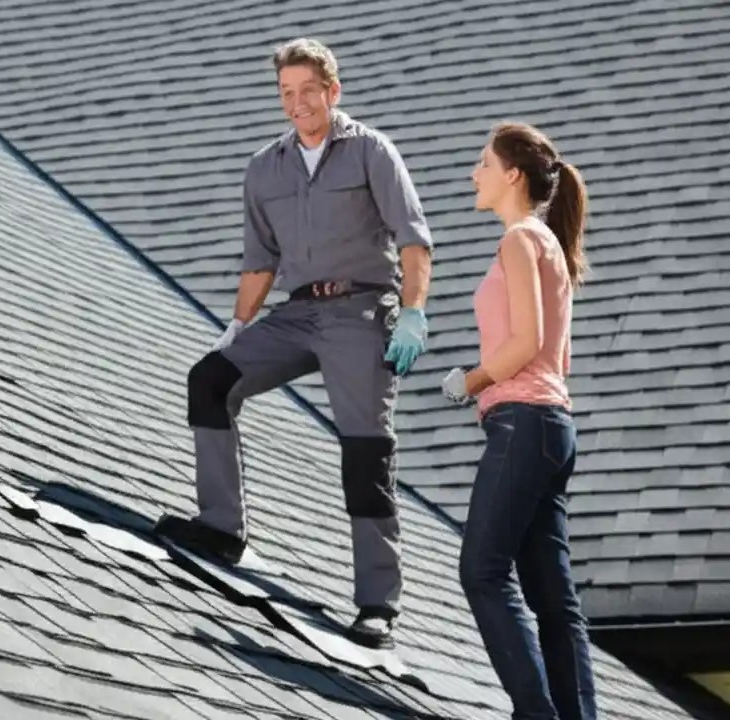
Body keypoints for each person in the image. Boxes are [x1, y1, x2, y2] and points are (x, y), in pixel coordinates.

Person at [154, 37, 434, 650]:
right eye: (287, 92)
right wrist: (236, 331)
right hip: (297, 312)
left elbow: (414, 241)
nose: (298, 102)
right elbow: (260, 264)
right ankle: (223, 528)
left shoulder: (370, 151)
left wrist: (413, 313)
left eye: (310, 90)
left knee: (365, 451)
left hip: (362, 311)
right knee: (211, 379)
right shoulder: (266, 168)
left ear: (333, 91)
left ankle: (376, 604)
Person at [441, 122, 596, 720]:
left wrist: (471, 381)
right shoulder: (548, 243)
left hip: (525, 422)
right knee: (553, 599)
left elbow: (526, 341)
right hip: (554, 428)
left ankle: (536, 713)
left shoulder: (520, 240)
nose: (473, 173)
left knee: (482, 571)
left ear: (512, 174)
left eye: (483, 162)